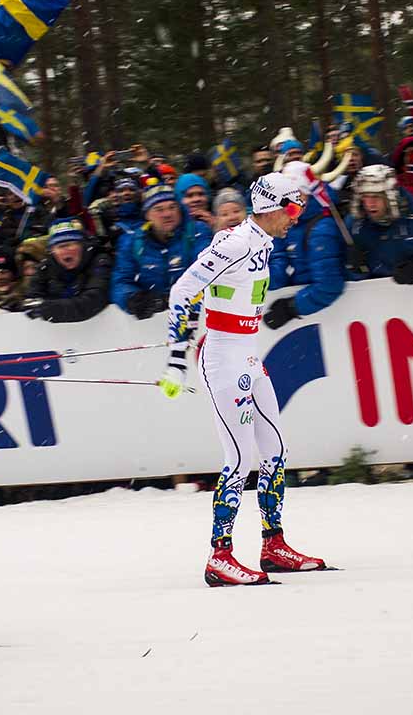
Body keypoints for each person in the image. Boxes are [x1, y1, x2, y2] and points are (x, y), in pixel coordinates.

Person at [158, 172, 328, 586]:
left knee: (275, 452)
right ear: (272, 207)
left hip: (249, 357)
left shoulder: (261, 241)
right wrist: (177, 361)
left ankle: (273, 545)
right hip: (223, 361)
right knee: (238, 459)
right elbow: (182, 291)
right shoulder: (236, 243)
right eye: (293, 208)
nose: (296, 217)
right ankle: (219, 556)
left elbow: (214, 292)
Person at [262, 162, 346, 329]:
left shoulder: (321, 230)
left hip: (330, 318)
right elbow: (280, 271)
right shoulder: (287, 223)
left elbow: (329, 286)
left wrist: (291, 308)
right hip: (310, 319)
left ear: (307, 194)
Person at [112, 184, 213, 318]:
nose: (167, 214)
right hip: (152, 323)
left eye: (172, 207)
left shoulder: (198, 232)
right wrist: (133, 299)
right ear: (147, 215)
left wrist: (178, 296)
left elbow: (207, 271)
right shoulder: (131, 242)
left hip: (196, 314)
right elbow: (121, 281)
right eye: (159, 209)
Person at [346, 165, 413, 283]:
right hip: (374, 290)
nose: (370, 203)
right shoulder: (353, 226)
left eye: (376, 197)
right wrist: (353, 269)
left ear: (391, 196)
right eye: (365, 196)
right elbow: (339, 269)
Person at [23, 219, 112, 323]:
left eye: (70, 244)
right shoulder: (45, 268)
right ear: (52, 251)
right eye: (59, 246)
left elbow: (94, 300)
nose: (65, 250)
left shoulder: (100, 261)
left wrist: (50, 309)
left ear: (83, 245)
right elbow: (31, 300)